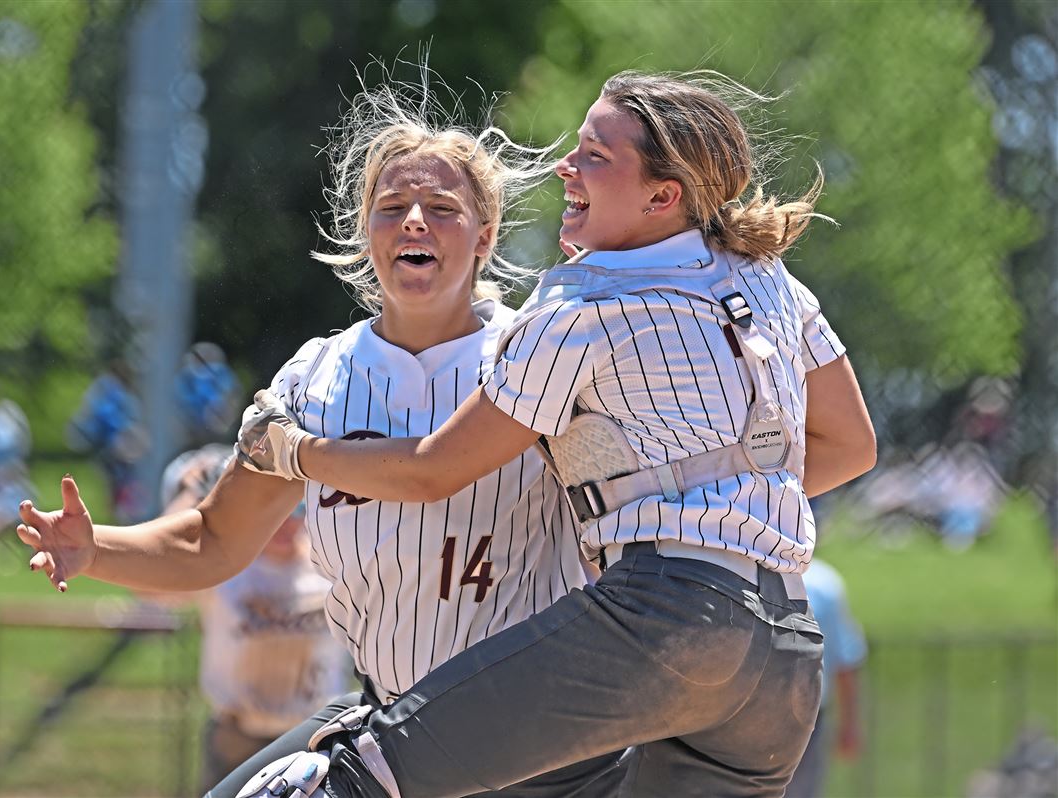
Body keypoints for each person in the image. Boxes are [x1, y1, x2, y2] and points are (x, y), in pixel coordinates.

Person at [231, 69, 877, 798]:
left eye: (595, 156)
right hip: (785, 652)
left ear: (663, 196)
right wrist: (717, 509)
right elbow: (852, 445)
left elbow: (431, 470)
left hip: (663, 619)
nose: (567, 167)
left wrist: (292, 449)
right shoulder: (771, 280)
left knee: (351, 778)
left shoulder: (580, 302)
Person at [16, 71, 630, 798]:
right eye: (392, 206)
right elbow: (211, 541)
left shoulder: (537, 353)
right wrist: (95, 549)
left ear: (486, 234)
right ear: (364, 230)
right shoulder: (316, 379)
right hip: (392, 718)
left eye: (441, 207)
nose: (413, 222)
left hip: (537, 739)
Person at [145, 444, 349, 794]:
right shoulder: (228, 566)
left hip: (316, 735)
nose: (289, 520)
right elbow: (153, 579)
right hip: (238, 739)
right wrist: (199, 492)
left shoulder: (328, 559)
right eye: (275, 511)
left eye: (297, 507)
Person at [784, 558, 867, 798]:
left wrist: (850, 725)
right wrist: (849, 725)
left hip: (800, 714)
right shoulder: (825, 581)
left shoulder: (823, 582)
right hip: (805, 711)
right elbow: (847, 661)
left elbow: (845, 660)